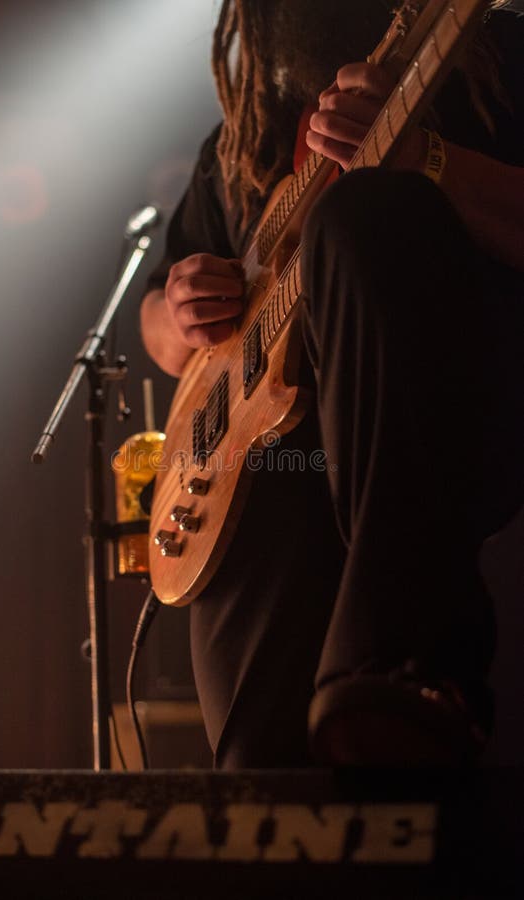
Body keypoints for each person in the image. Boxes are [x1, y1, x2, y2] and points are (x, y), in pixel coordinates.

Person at [140, 0, 524, 768]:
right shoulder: (242, 137)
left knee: (362, 213)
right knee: (260, 794)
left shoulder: (493, 54)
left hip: (431, 426)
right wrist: (179, 312)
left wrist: (431, 162)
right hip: (264, 477)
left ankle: (405, 663)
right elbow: (156, 329)